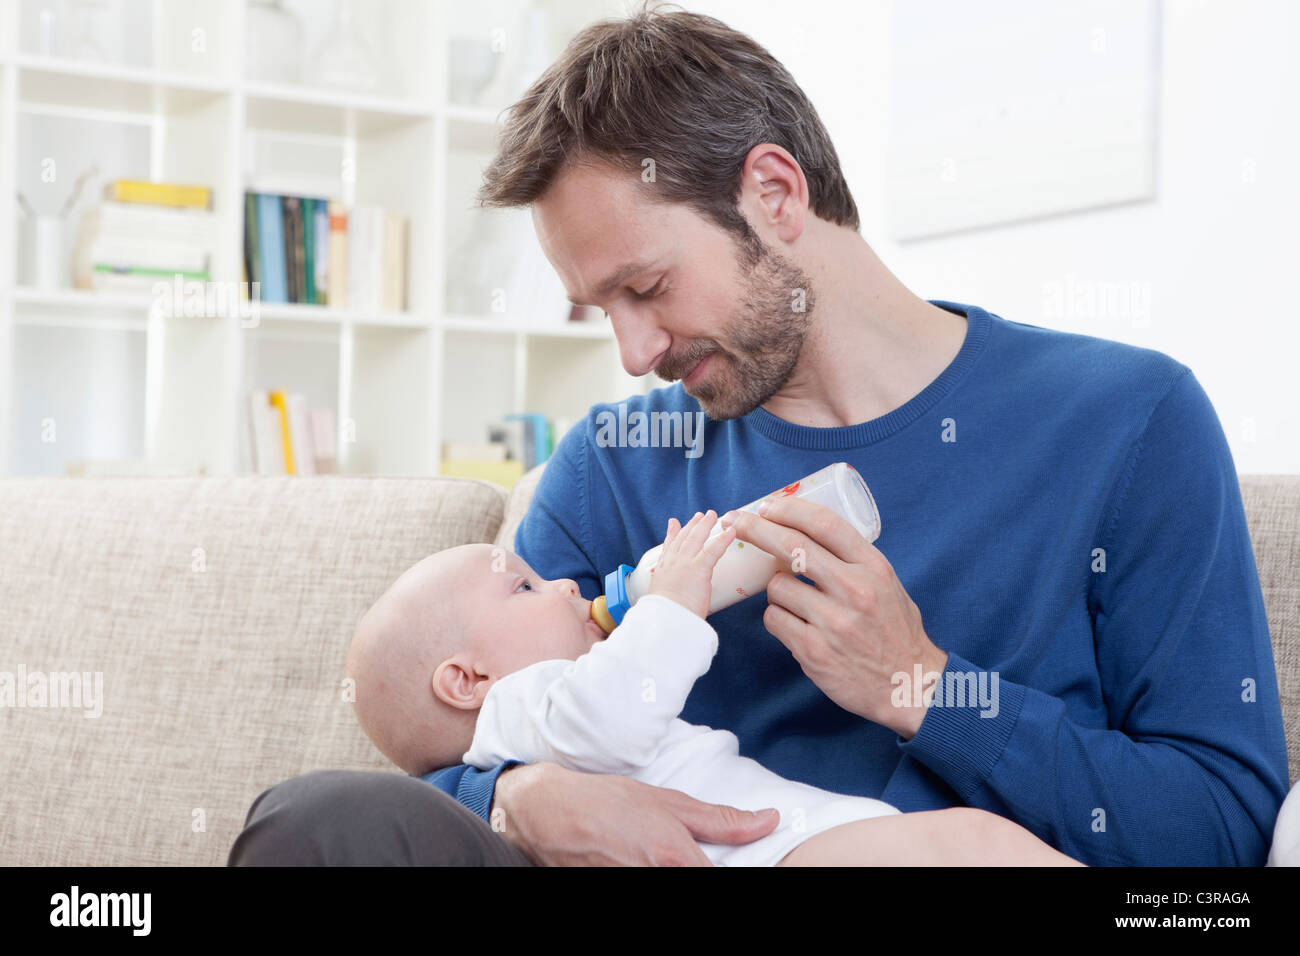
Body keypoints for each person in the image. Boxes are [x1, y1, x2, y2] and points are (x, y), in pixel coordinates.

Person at [229, 4, 1288, 867]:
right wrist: (521, 792)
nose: (634, 350)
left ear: (774, 193)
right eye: (599, 309)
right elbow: (442, 731)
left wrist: (926, 688)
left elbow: (1220, 828)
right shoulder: (614, 462)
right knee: (323, 818)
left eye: (644, 287)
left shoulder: (1125, 421)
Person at [342, 521, 1082, 866]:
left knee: (979, 845)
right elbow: (611, 721)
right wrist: (671, 604)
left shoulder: (531, 710)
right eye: (526, 586)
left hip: (793, 842)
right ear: (466, 681)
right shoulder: (521, 704)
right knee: (977, 844)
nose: (568, 583)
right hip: (778, 853)